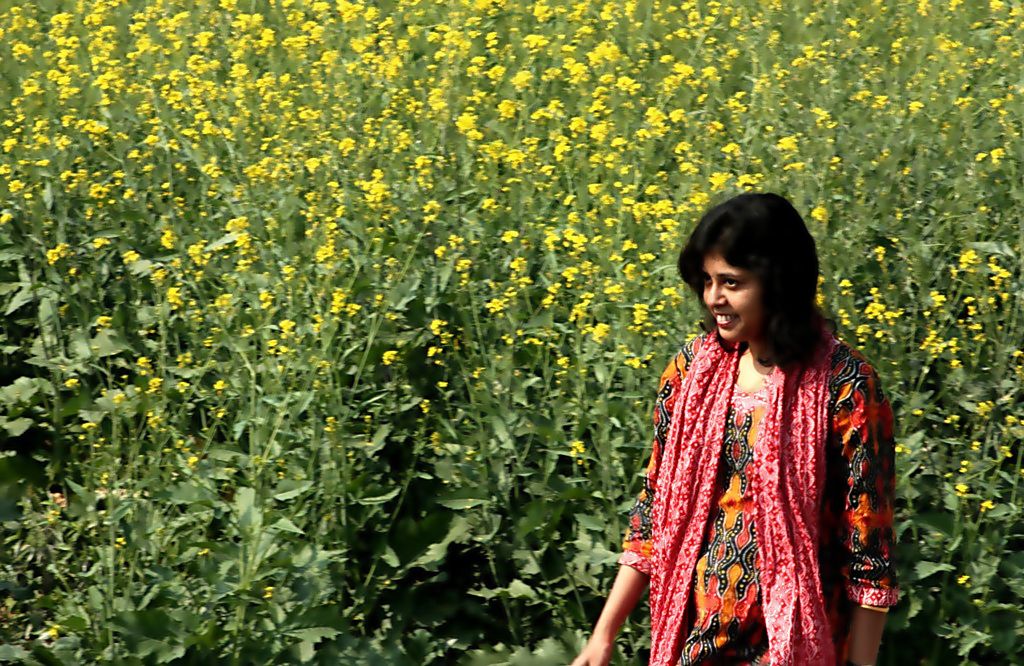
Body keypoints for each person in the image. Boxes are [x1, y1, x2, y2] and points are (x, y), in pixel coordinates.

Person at [571, 193, 900, 666]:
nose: (713, 299)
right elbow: (654, 513)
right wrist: (603, 636)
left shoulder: (845, 384)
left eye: (731, 282)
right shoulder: (690, 372)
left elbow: (870, 547)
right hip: (695, 636)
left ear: (779, 282)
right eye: (707, 281)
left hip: (794, 643)